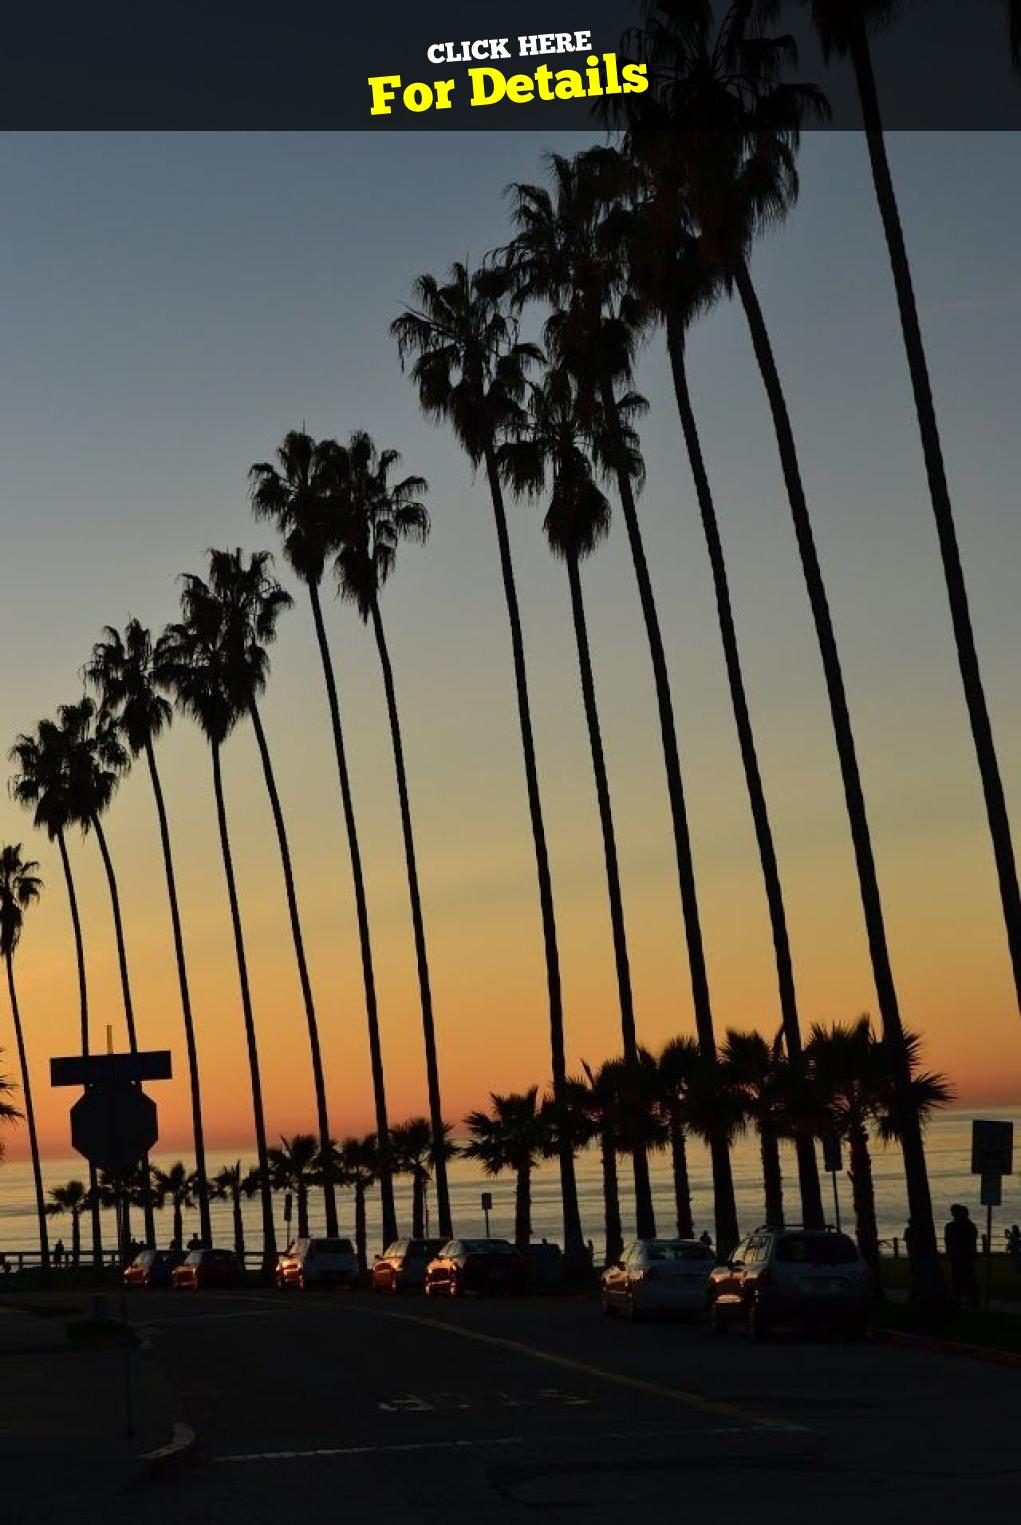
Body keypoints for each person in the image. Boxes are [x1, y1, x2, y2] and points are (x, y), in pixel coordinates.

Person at [944, 1203, 980, 1308]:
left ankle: (967, 1299)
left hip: (963, 1255)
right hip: (960, 1255)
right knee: (960, 1278)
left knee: (965, 1278)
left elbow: (970, 1241)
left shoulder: (965, 1226)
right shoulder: (962, 1226)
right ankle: (961, 1298)